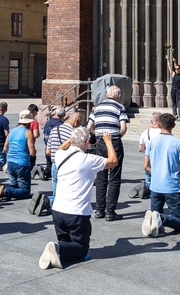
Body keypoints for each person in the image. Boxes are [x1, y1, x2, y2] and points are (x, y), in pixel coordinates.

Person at [39, 128, 118, 269]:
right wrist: (108, 141)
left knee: (67, 242)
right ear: (86, 143)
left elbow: (60, 147)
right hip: (77, 212)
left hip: (58, 210)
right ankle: (58, 248)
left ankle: (59, 250)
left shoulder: (60, 155)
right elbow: (113, 161)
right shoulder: (88, 159)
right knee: (81, 249)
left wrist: (73, 138)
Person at [142, 113, 180, 237]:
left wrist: (156, 174)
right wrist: (175, 177)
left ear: (160, 125)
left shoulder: (151, 142)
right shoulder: (178, 143)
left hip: (155, 185)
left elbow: (146, 166)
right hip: (171, 185)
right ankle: (162, 218)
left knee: (154, 216)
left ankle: (156, 220)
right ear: (173, 125)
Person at [88, 85, 129, 221]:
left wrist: (99, 135)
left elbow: (89, 127)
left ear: (107, 94)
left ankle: (99, 210)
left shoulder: (97, 107)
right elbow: (123, 128)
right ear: (117, 95)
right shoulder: (119, 107)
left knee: (101, 176)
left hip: (100, 142)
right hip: (114, 141)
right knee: (115, 177)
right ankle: (110, 212)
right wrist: (115, 137)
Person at [0, 110, 36, 202]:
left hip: (10, 162)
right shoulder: (28, 132)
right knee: (25, 191)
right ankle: (6, 191)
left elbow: (5, 148)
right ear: (28, 122)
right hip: (22, 163)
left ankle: (5, 192)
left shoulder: (12, 131)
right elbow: (32, 152)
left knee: (14, 185)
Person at [49, 110, 80, 198]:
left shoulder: (54, 129)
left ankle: (48, 201)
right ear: (75, 122)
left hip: (55, 163)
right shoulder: (74, 133)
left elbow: (48, 151)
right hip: (67, 164)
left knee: (56, 192)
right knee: (66, 193)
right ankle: (47, 201)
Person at [133, 112, 162, 199]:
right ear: (161, 122)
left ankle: (147, 188)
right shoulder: (163, 133)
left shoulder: (145, 132)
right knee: (160, 176)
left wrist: (149, 152)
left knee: (149, 176)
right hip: (160, 158)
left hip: (148, 158)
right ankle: (157, 191)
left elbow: (140, 148)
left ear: (151, 121)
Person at [42, 107, 65, 179]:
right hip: (56, 149)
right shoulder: (61, 125)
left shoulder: (48, 122)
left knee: (49, 164)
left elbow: (43, 136)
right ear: (64, 115)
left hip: (47, 147)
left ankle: (45, 173)